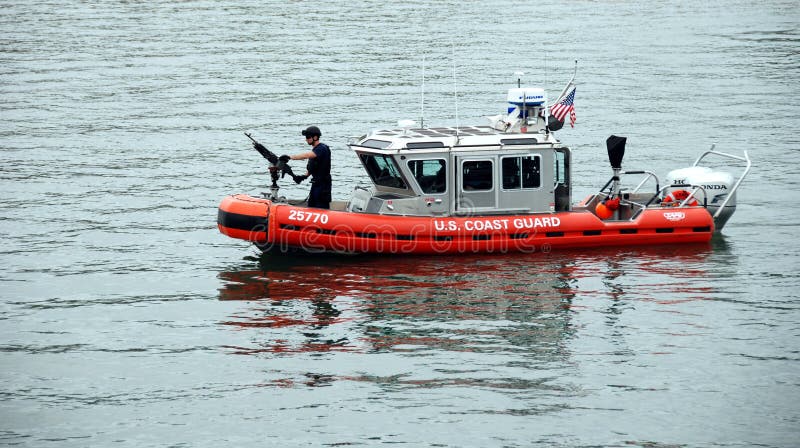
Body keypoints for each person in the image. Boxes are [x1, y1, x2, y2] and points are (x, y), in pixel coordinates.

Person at [281, 126, 332, 209]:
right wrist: (304, 176)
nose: (306, 139)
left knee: (321, 207)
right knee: (311, 206)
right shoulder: (315, 151)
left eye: (308, 137)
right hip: (315, 184)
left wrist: (290, 157)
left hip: (323, 185)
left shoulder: (322, 148)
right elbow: (313, 167)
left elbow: (306, 155)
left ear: (315, 137)